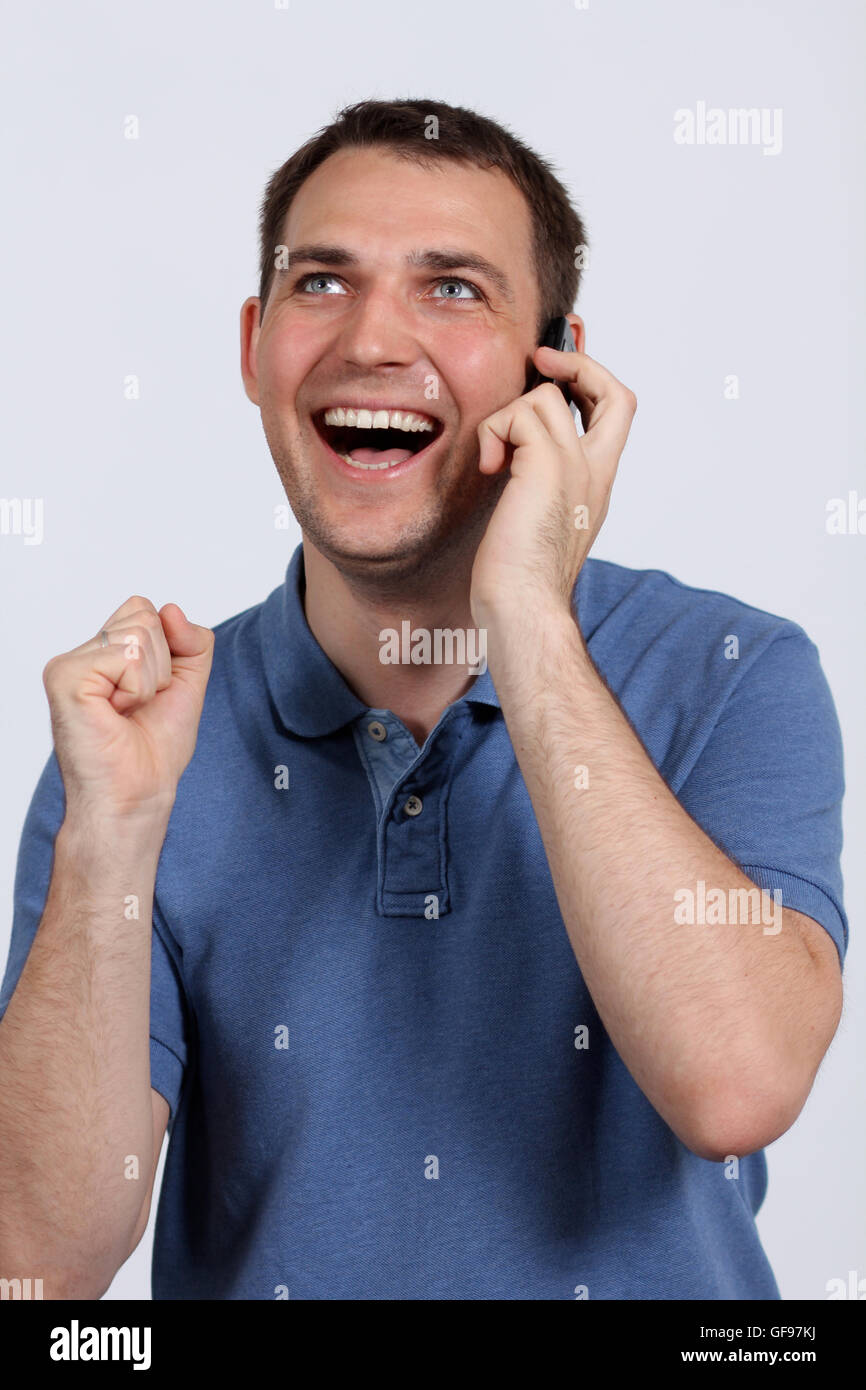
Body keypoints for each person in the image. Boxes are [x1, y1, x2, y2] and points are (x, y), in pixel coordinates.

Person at [0, 98, 846, 1301]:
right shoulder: (133, 741)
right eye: (321, 284)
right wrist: (112, 843)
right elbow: (38, 1268)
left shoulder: (731, 671)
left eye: (452, 289)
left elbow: (733, 1086)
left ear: (549, 369)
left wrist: (527, 617)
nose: (371, 342)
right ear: (253, 345)